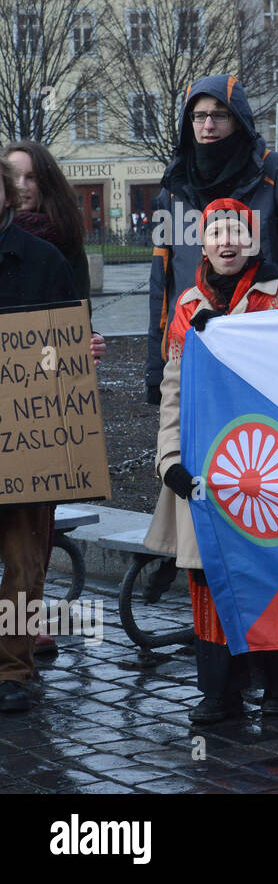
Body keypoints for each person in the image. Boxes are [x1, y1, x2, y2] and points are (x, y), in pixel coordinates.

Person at [144, 198, 278, 723]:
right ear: (204, 243)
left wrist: (231, 339)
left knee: (271, 574)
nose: (226, 241)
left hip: (269, 465)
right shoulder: (187, 306)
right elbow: (174, 391)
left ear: (254, 241)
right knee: (211, 579)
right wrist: (168, 459)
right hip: (206, 470)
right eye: (216, 232)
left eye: (236, 231)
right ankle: (221, 691)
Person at [147, 75, 278, 406]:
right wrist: (156, 368)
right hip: (192, 348)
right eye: (199, 116)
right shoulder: (172, 186)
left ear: (238, 119)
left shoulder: (275, 173)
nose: (208, 124)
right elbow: (161, 280)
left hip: (265, 354)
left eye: (220, 114)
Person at [3, 140, 107, 657]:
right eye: (11, 178)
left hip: (36, 410)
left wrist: (79, 346)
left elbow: (72, 322)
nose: (20, 188)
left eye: (29, 178)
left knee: (31, 536)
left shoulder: (57, 250)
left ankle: (19, 640)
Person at [0, 157, 77, 712]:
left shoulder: (44, 261)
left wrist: (45, 364)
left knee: (24, 566)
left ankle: (13, 669)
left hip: (27, 440)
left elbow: (64, 347)